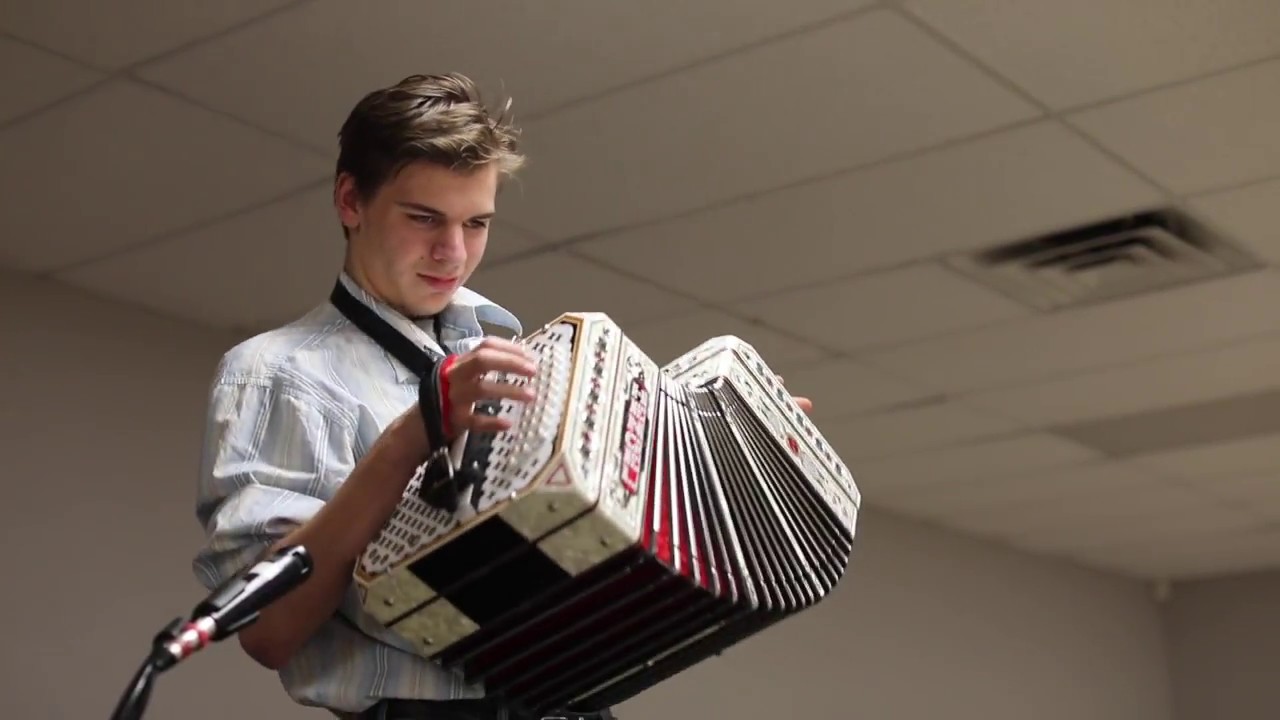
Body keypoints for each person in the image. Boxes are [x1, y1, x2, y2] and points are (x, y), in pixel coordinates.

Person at [192, 73, 812, 720]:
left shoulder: (513, 352)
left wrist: (725, 450)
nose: (453, 252)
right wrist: (415, 433)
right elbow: (268, 631)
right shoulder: (276, 373)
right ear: (351, 201)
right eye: (424, 218)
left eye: (477, 223)